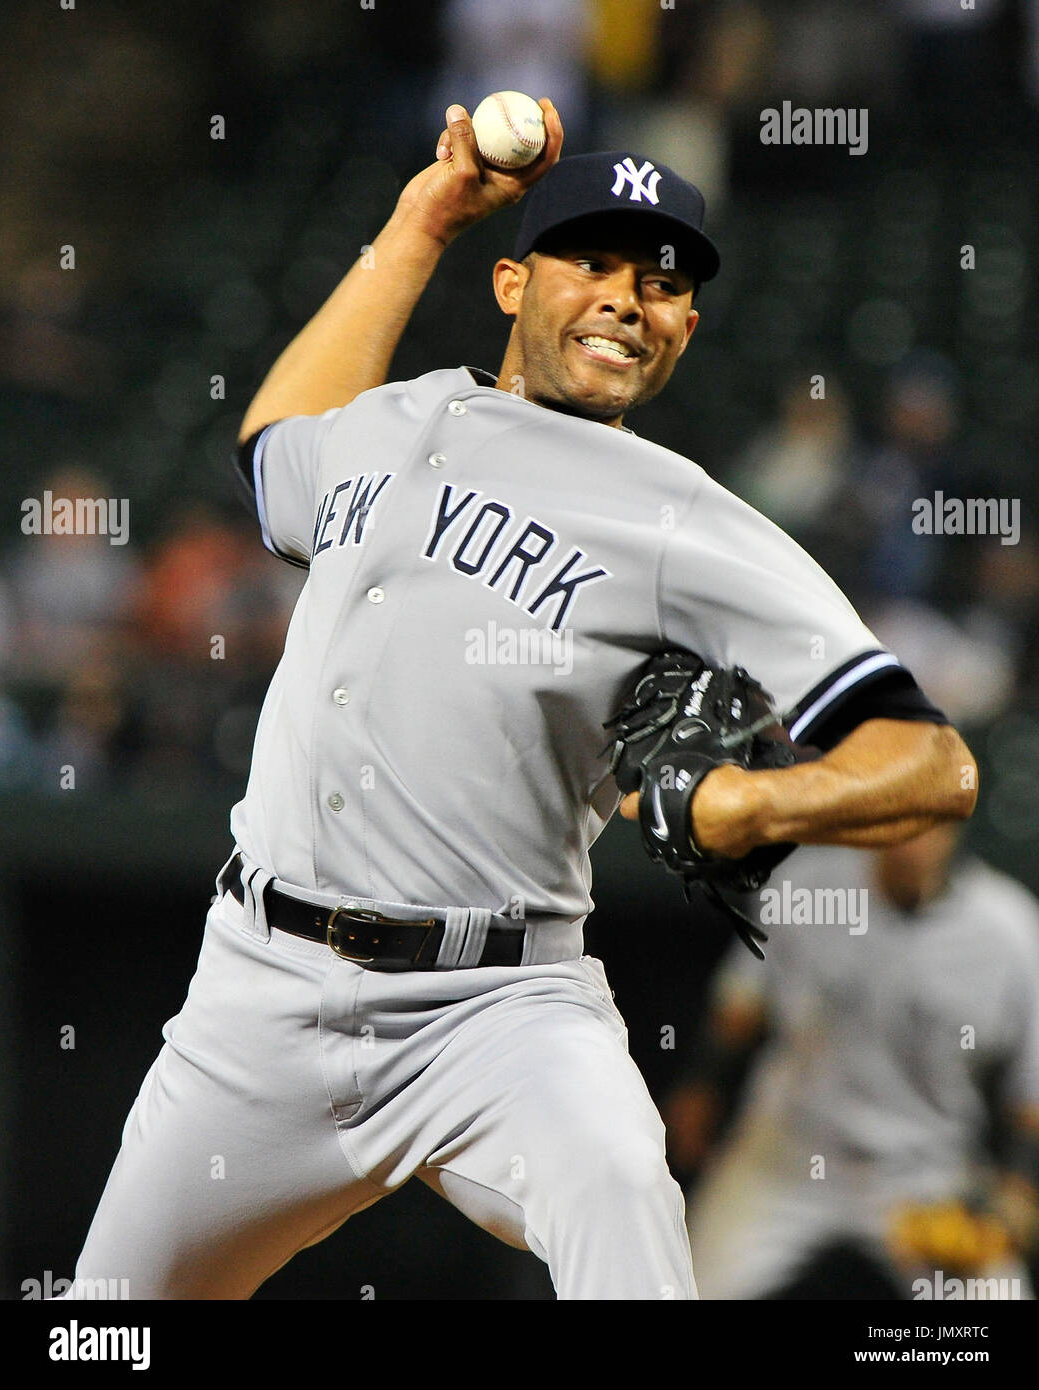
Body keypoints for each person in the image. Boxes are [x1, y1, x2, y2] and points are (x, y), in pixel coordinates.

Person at [60, 100, 976, 1300]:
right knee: (102, 1325)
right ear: (509, 284)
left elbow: (932, 762)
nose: (621, 297)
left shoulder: (682, 518)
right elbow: (272, 446)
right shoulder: (384, 424)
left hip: (495, 1007)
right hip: (257, 993)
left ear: (685, 328)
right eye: (588, 261)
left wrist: (750, 805)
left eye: (656, 283)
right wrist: (420, 216)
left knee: (622, 1193)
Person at [669, 828, 1039, 1300]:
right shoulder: (805, 887)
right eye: (901, 817)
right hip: (788, 1157)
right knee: (680, 1288)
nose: (913, 838)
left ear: (955, 824)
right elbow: (740, 1008)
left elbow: (1029, 1095)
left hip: (924, 1179)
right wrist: (702, 1086)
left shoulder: (1009, 928)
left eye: (930, 819)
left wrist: (1016, 1192)